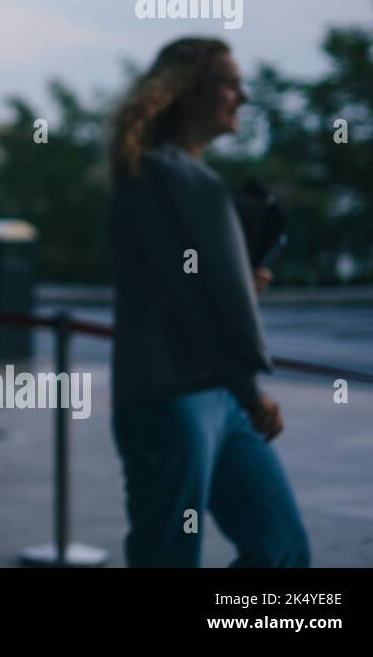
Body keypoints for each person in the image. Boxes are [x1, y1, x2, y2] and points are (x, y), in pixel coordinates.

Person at [106, 36, 310, 567]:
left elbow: (197, 287)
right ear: (188, 92)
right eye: (231, 83)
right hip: (171, 397)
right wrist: (250, 389)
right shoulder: (161, 175)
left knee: (281, 548)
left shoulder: (181, 175)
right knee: (176, 555)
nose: (242, 96)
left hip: (211, 392)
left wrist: (238, 282)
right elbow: (193, 302)